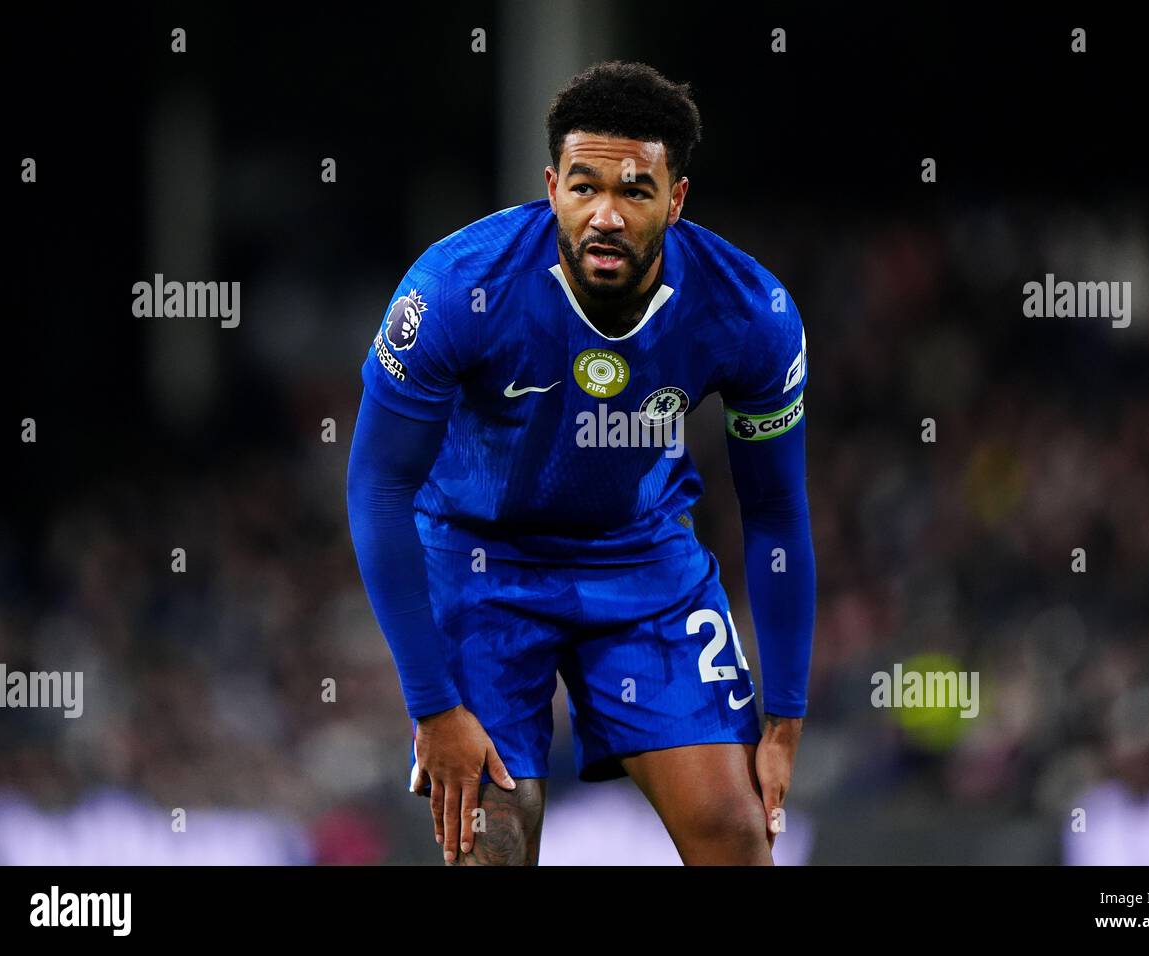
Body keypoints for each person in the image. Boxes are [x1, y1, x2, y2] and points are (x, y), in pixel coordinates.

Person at [347, 61, 814, 865]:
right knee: (490, 840)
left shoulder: (751, 314)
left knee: (737, 838)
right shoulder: (455, 289)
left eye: (634, 191)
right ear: (551, 184)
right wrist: (432, 708)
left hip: (646, 563)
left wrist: (786, 717)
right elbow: (379, 487)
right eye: (583, 185)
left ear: (676, 199)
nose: (605, 214)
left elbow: (774, 514)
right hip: (479, 560)